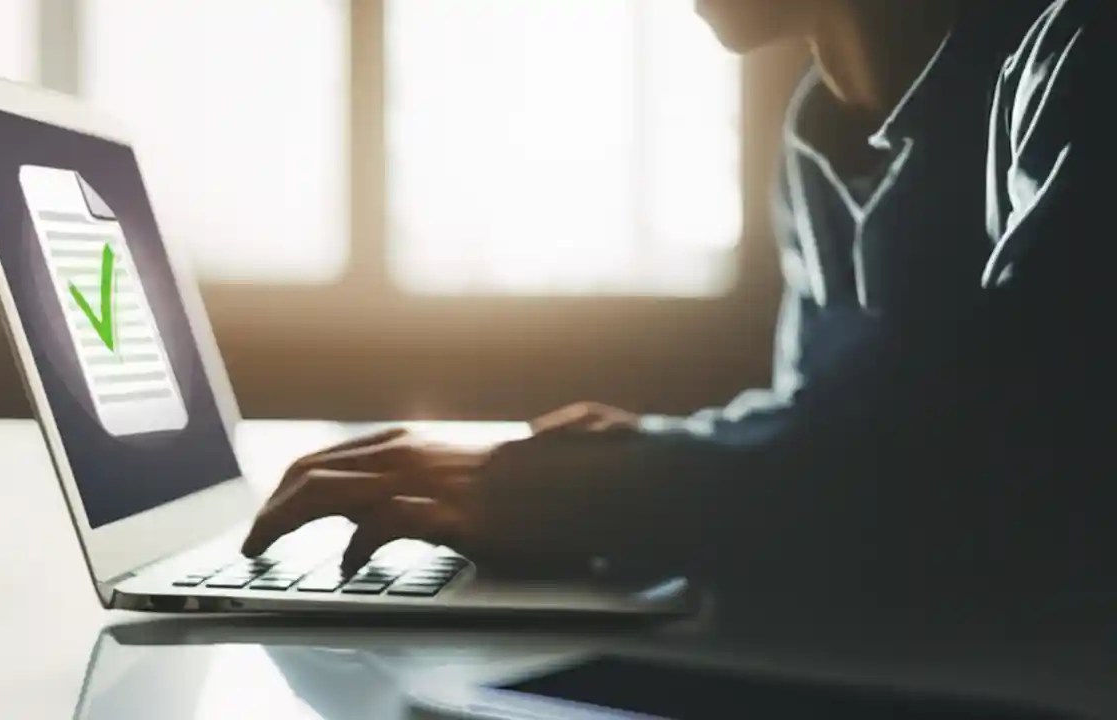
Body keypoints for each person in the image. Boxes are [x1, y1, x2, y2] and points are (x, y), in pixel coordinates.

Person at [242, 0, 1115, 595]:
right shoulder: (823, 130)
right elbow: (838, 429)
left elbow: (997, 476)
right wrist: (669, 452)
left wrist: (564, 493)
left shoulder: (1080, 53)